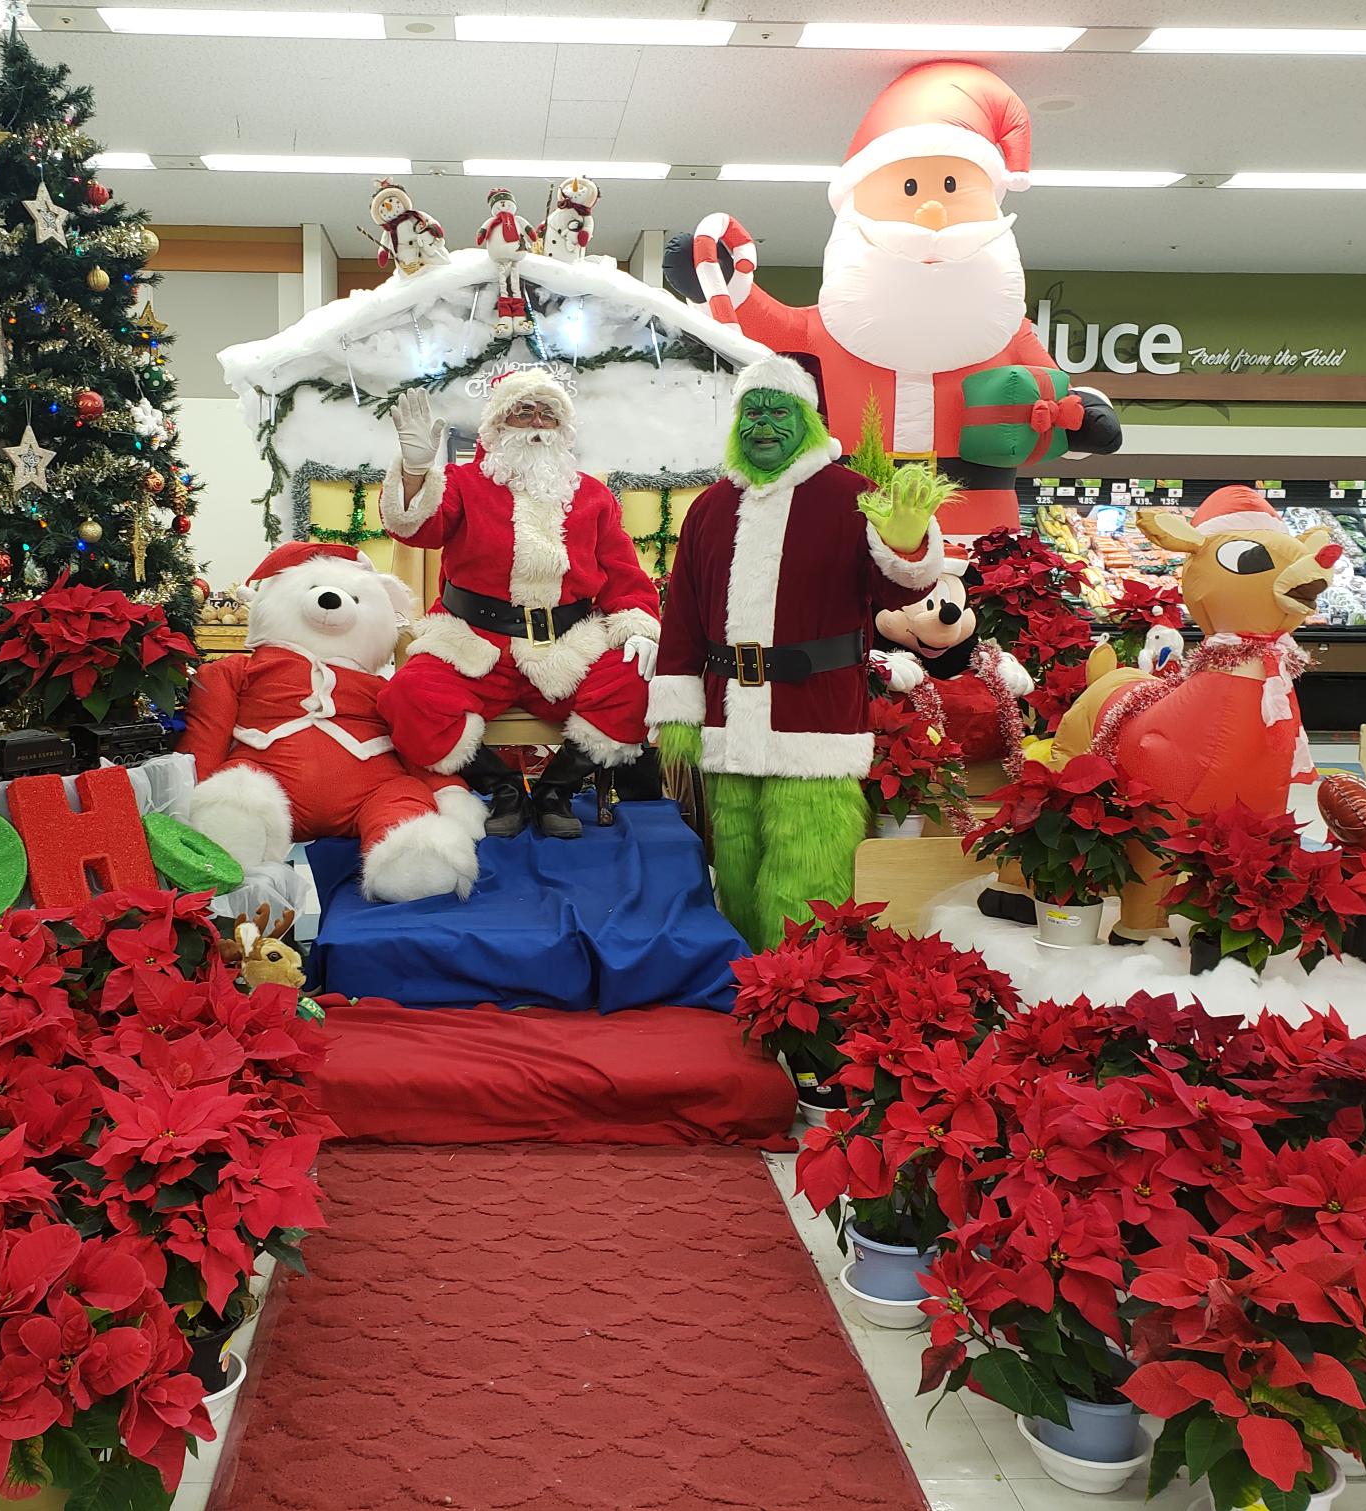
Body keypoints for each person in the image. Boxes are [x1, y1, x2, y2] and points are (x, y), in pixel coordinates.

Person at [670, 60, 1121, 533]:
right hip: (851, 514)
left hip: (976, 520)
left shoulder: (1008, 331)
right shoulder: (826, 329)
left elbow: (1057, 391)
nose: (932, 214)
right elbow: (764, 328)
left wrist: (1085, 415)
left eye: (952, 186)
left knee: (978, 581)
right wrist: (720, 283)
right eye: (909, 189)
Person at [649, 356, 945, 951]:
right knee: (735, 865)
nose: (763, 425)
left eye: (779, 412)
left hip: (816, 720)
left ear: (807, 419)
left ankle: (807, 983)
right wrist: (677, 710)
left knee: (809, 868)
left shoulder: (851, 497)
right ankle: (745, 978)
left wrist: (906, 547)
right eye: (752, 412)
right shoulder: (710, 507)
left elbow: (898, 594)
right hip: (729, 721)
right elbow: (681, 614)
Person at [377, 369, 660, 839]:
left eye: (548, 413)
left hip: (568, 646)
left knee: (638, 681)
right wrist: (414, 473)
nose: (536, 422)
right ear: (496, 424)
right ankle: (503, 787)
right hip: (473, 643)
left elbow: (622, 573)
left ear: (563, 428)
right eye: (522, 411)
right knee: (409, 696)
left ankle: (555, 791)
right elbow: (416, 529)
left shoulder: (593, 495)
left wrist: (638, 625)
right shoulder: (461, 483)